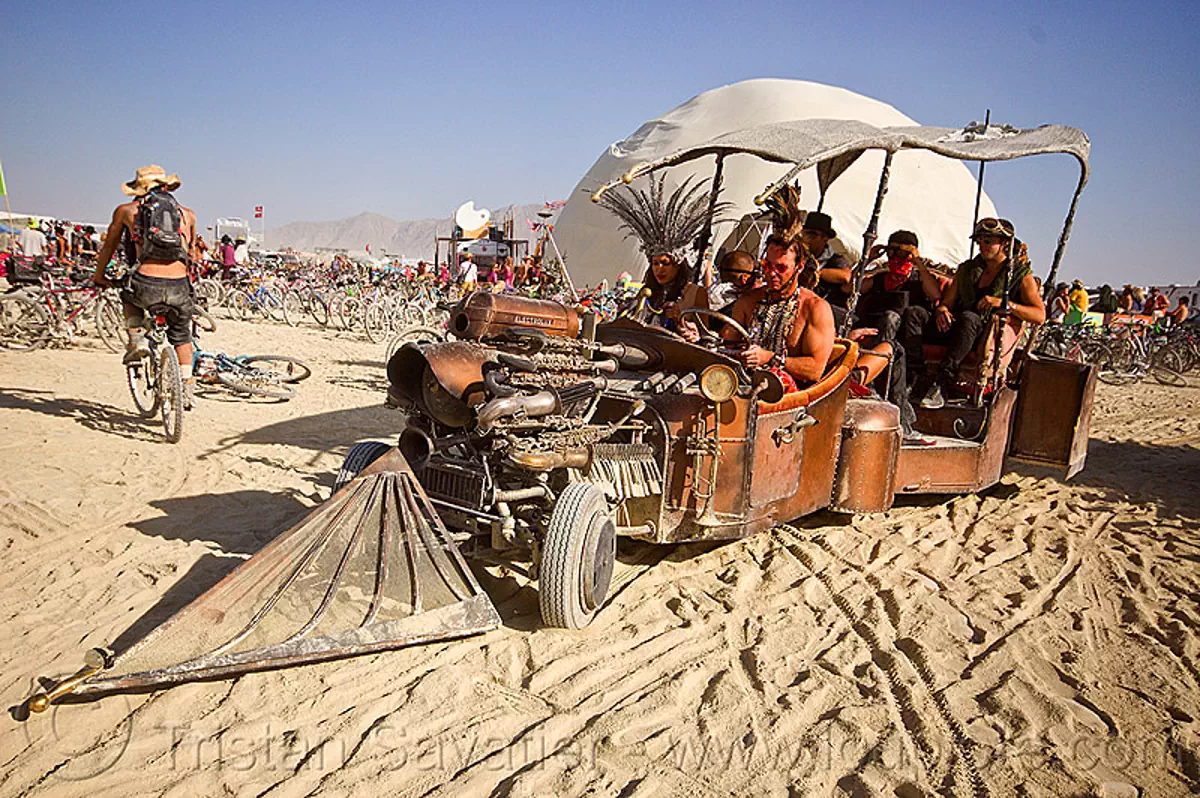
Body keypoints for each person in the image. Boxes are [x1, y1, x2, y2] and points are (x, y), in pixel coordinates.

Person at [92, 165, 199, 409]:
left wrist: (99, 276)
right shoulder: (188, 214)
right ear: (166, 187)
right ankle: (187, 386)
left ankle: (136, 339)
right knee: (182, 336)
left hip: (145, 283)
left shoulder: (126, 211)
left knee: (129, 297)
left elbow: (108, 247)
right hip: (179, 286)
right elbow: (191, 253)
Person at [915, 218, 1046, 409]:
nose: (982, 246)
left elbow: (1039, 315)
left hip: (983, 334)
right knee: (915, 314)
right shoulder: (967, 270)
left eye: (988, 241)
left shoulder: (1020, 276)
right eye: (979, 241)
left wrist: (1005, 303)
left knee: (970, 318)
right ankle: (914, 375)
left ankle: (943, 382)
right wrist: (942, 310)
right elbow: (947, 302)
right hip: (957, 328)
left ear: (1004, 244)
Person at [724, 185, 834, 392]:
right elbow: (727, 345)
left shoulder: (815, 308)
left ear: (799, 267)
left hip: (793, 400)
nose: (772, 273)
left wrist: (771, 358)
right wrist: (700, 338)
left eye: (781, 267)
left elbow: (815, 369)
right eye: (767, 265)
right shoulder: (749, 301)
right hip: (742, 387)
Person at [597, 174, 729, 341]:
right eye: (655, 263)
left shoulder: (695, 292)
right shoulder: (647, 292)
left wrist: (682, 322)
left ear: (678, 264)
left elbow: (706, 336)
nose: (659, 269)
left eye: (665, 264)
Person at [799, 211, 853, 318]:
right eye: (806, 233)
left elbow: (846, 276)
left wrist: (817, 273)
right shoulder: (798, 255)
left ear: (825, 238)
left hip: (827, 309)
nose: (807, 239)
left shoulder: (835, 260)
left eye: (813, 235)